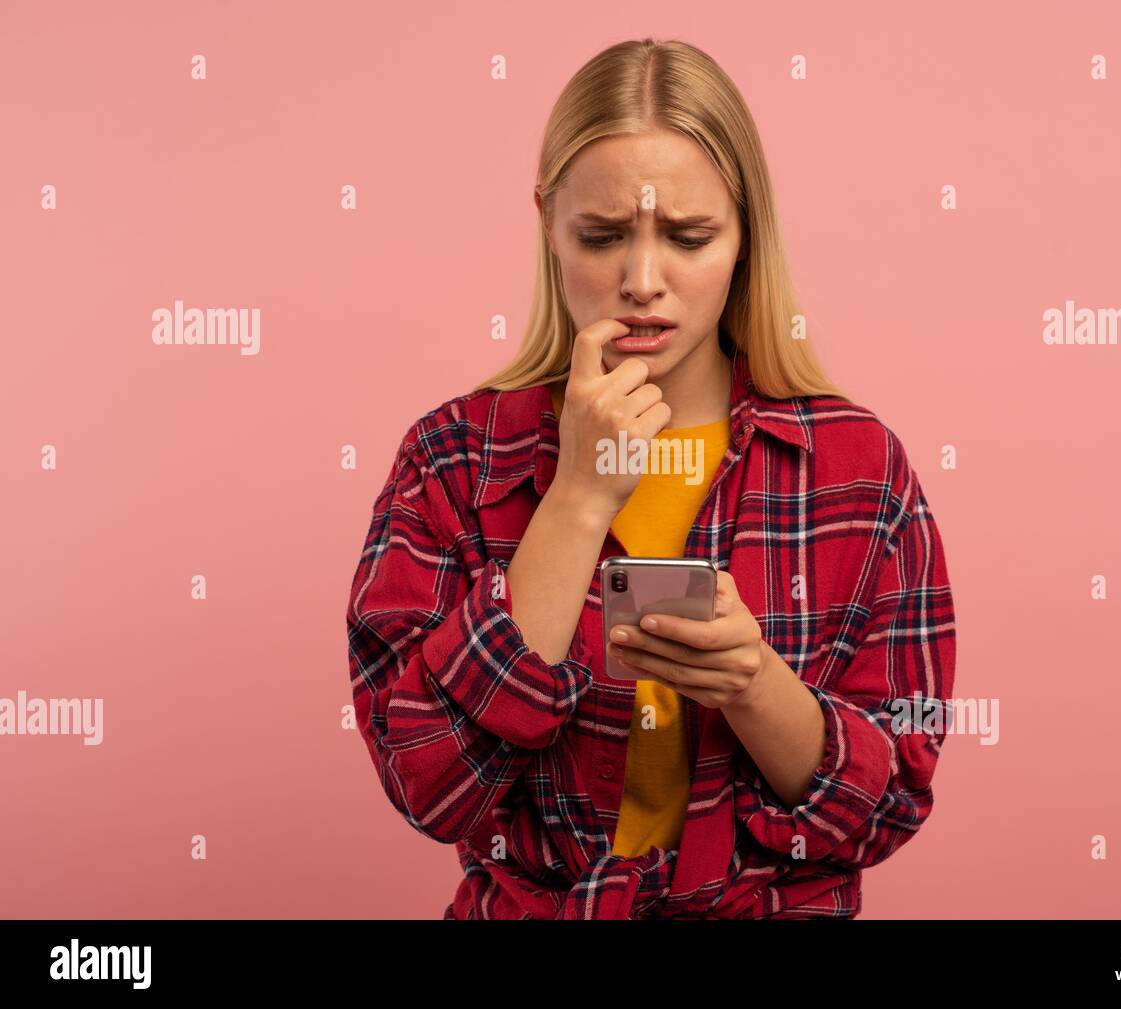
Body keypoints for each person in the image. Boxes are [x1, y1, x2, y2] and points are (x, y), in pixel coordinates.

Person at [345, 37, 956, 919]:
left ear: (746, 234)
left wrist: (754, 683)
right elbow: (428, 783)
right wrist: (580, 496)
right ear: (548, 223)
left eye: (689, 235)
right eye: (600, 236)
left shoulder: (857, 468)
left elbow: (889, 802)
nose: (641, 282)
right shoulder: (453, 457)